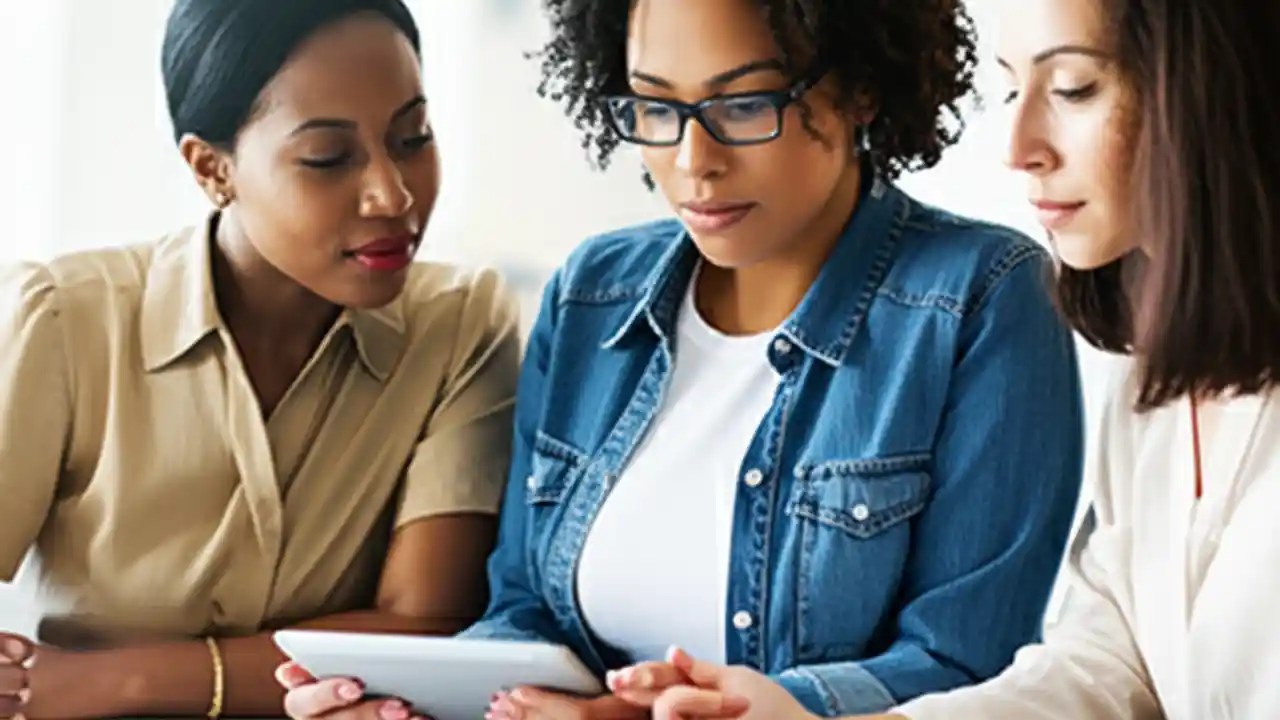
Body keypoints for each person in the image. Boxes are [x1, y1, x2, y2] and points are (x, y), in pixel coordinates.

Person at [278, 0, 1086, 717]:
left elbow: (969, 668)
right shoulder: (591, 293)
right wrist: (437, 703)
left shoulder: (981, 299)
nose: (693, 160)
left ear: (862, 87)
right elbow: (526, 607)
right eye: (657, 108)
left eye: (744, 104)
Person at [594, 0, 1280, 718]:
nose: (1018, 147)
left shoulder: (981, 297)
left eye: (1074, 87)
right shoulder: (1158, 380)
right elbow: (1110, 665)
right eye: (1016, 89)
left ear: (1209, 86)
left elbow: (970, 647)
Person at [0, 0, 520, 717]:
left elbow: (423, 633)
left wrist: (111, 680)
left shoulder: (463, 327)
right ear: (212, 168)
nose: (393, 194)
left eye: (412, 137)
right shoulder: (66, 319)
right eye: (328, 159)